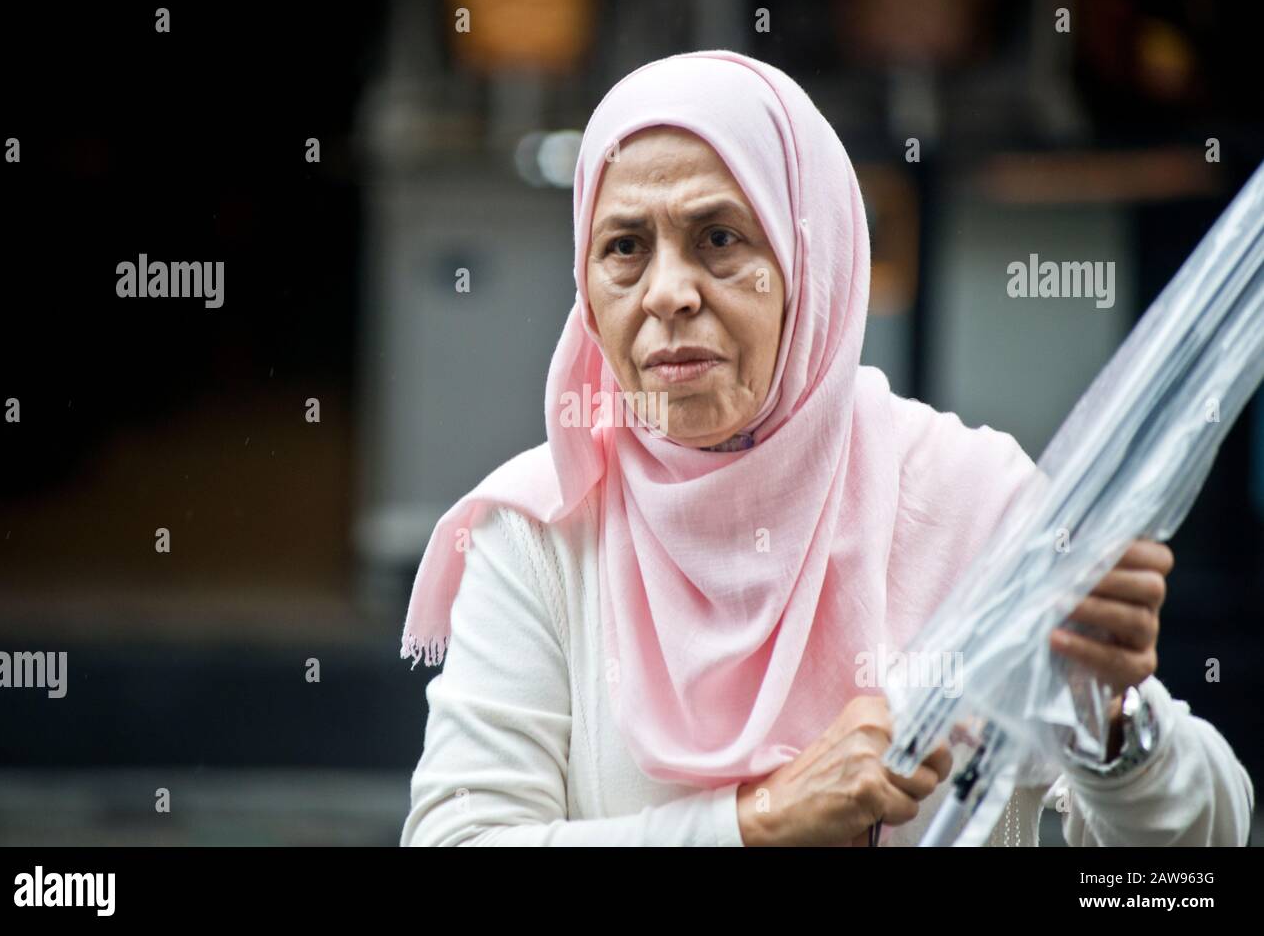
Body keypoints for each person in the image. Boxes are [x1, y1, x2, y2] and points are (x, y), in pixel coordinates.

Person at [398, 50, 1254, 846]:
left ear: (813, 260)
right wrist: (755, 820)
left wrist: (1112, 718)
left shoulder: (973, 499)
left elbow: (1193, 861)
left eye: (719, 239)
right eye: (624, 248)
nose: (666, 293)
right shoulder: (545, 529)